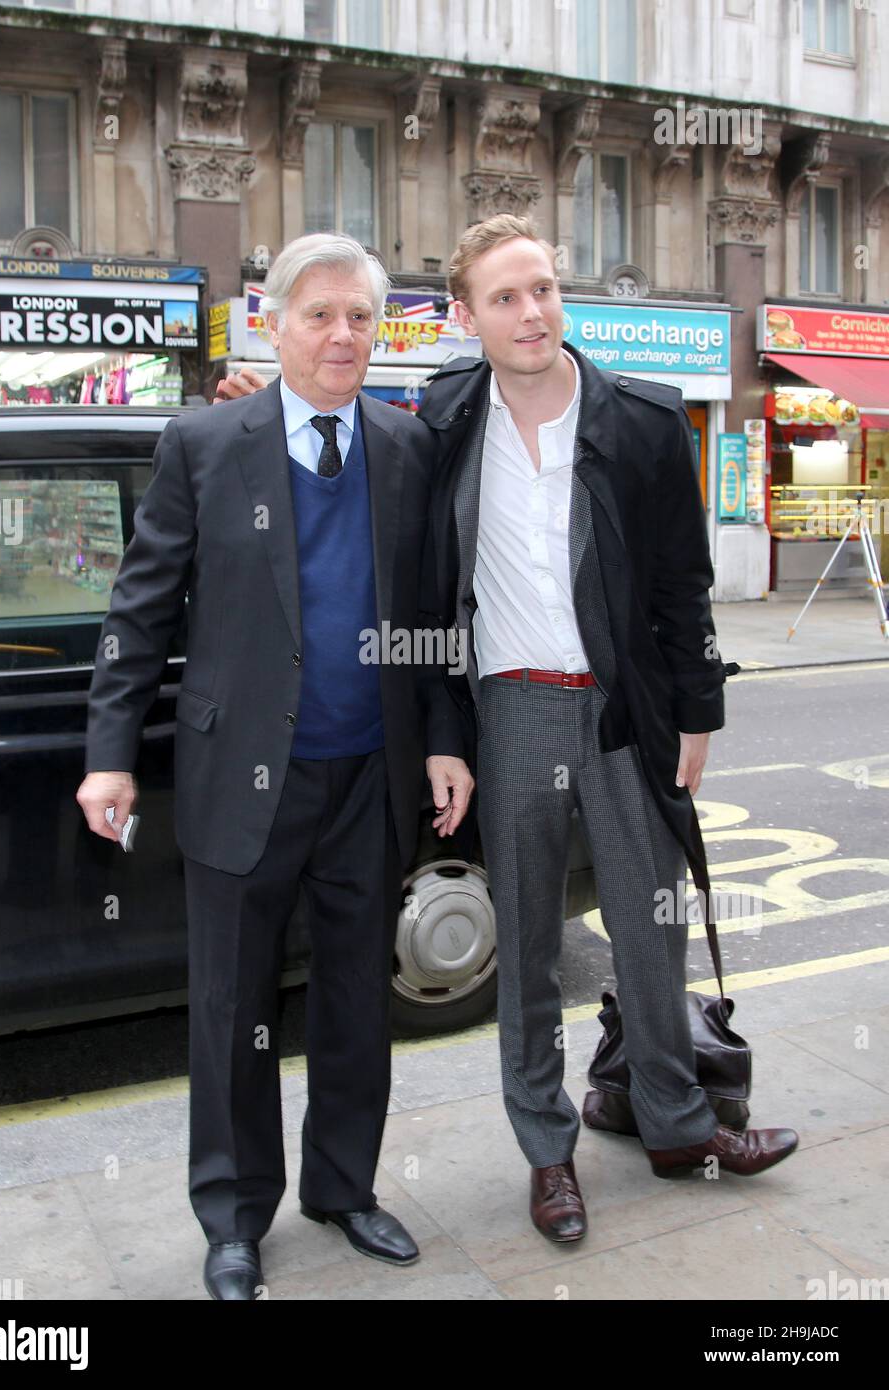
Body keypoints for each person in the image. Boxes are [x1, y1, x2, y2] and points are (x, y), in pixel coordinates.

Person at [222, 215, 800, 1249]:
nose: (530, 312)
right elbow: (359, 490)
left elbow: (682, 587)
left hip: (627, 708)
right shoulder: (439, 422)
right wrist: (244, 409)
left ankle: (677, 1123)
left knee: (649, 928)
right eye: (504, 296)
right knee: (528, 943)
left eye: (542, 288)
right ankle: (547, 1154)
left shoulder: (642, 418)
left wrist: (697, 713)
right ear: (464, 316)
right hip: (512, 707)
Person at [76, 232, 473, 1299]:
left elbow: (434, 617)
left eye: (360, 317)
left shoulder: (407, 449)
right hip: (240, 775)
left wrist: (441, 736)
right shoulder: (205, 443)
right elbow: (139, 609)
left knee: (356, 1000)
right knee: (232, 1005)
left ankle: (343, 1188)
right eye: (319, 314)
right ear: (275, 323)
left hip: (368, 781)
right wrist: (108, 756)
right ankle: (234, 1214)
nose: (342, 335)